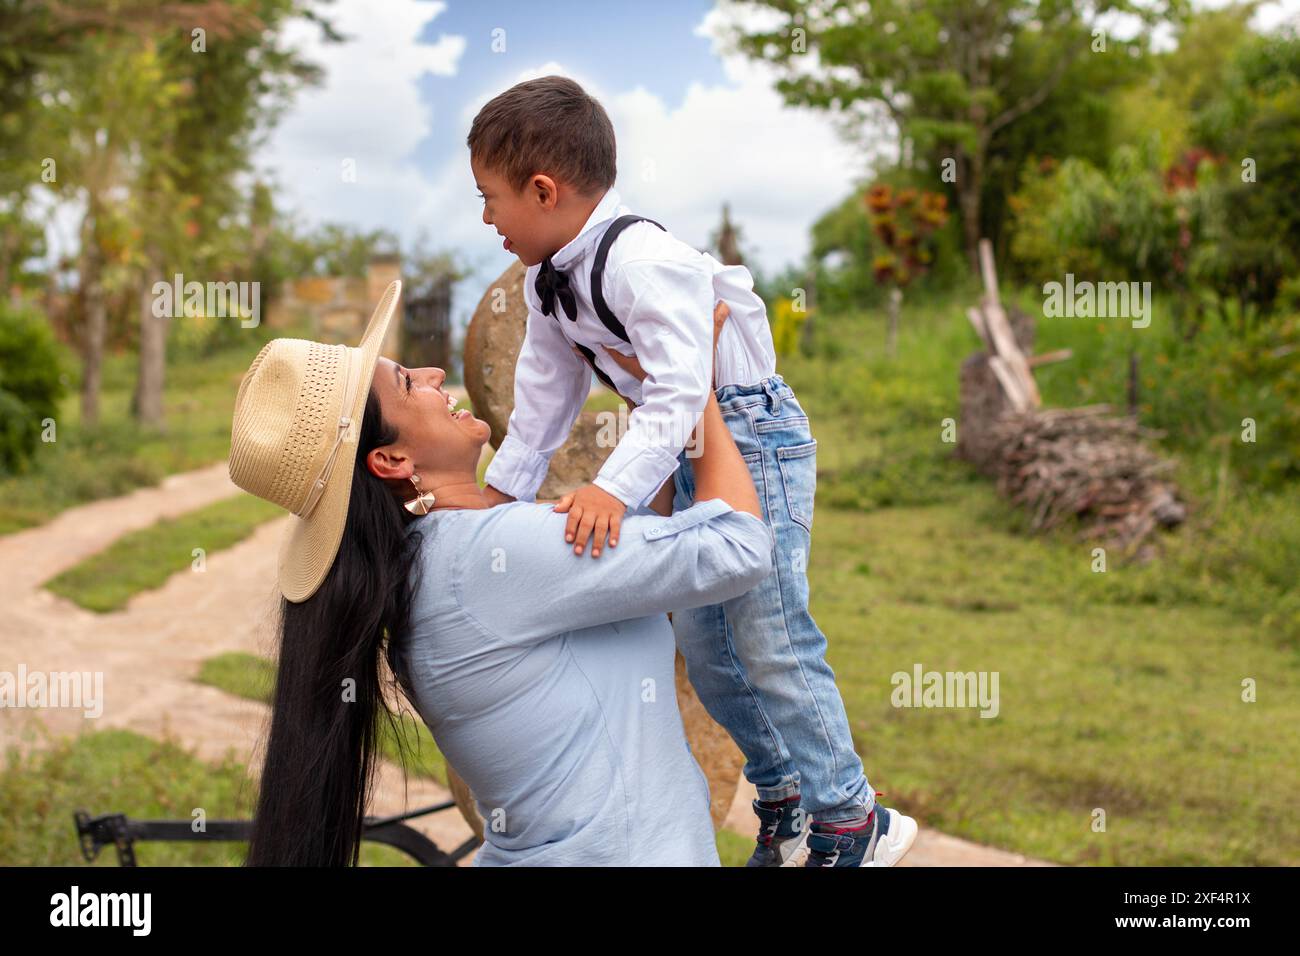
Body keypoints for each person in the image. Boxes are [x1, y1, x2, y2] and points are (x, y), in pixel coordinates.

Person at [468, 75, 919, 866]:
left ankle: (853, 817)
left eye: (490, 198)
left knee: (770, 633)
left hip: (751, 429)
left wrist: (613, 487)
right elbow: (542, 402)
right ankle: (780, 798)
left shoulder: (642, 262)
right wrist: (495, 497)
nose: (486, 220)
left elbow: (682, 388)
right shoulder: (549, 286)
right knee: (706, 646)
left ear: (542, 190)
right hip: (688, 443)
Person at [228, 280, 773, 866]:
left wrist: (659, 396)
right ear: (391, 461)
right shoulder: (490, 557)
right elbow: (735, 546)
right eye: (409, 383)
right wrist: (698, 391)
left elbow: (644, 537)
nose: (435, 374)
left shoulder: (438, 563)